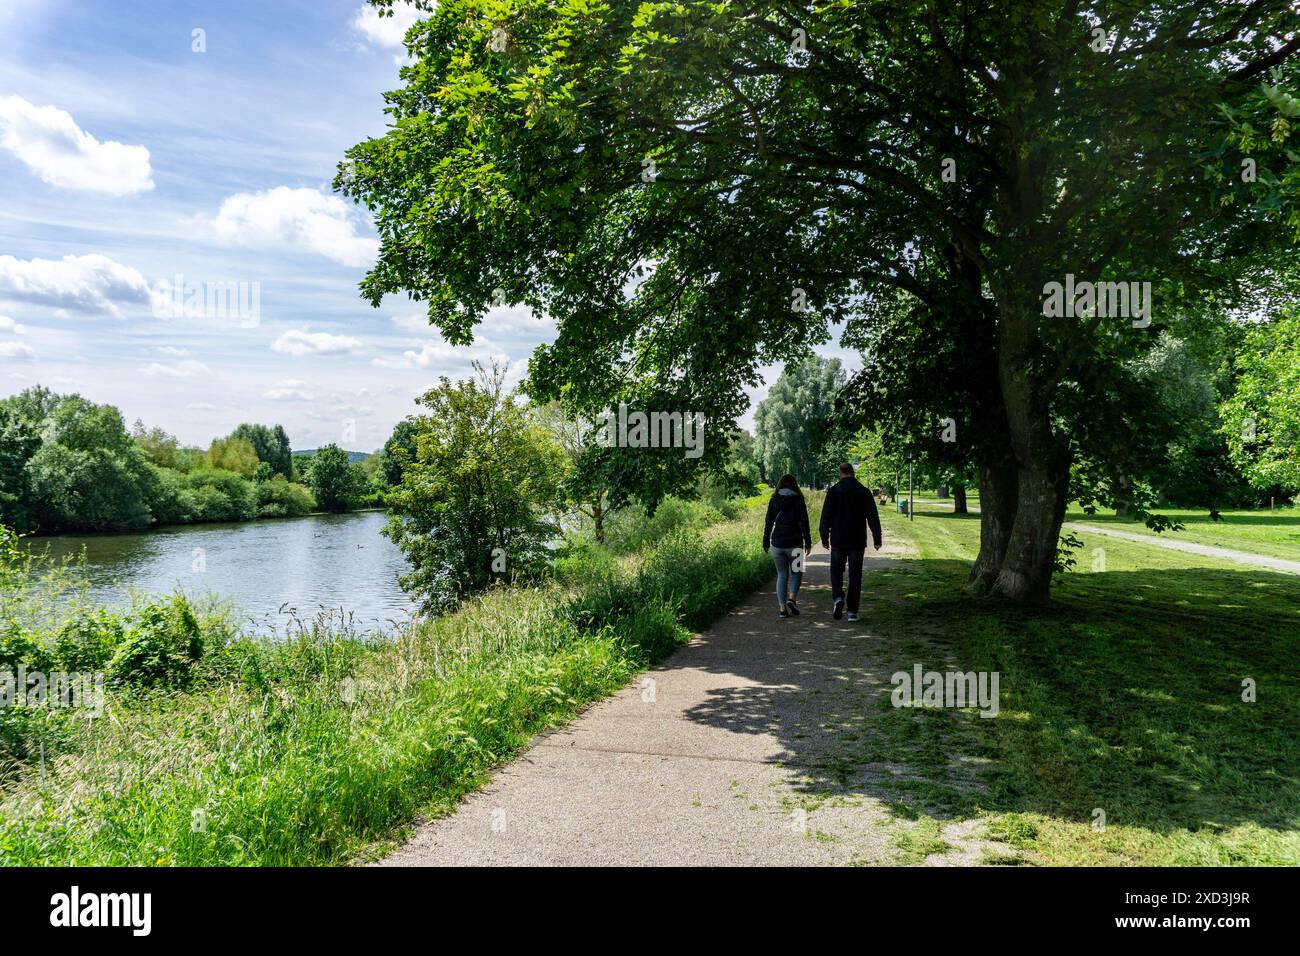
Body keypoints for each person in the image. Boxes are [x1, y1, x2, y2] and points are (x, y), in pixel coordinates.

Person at [819, 462, 882, 622]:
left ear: (840, 473)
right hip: (857, 540)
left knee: (836, 572)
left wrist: (824, 538)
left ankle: (838, 597)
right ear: (853, 473)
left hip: (838, 539)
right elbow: (872, 516)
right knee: (855, 576)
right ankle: (852, 611)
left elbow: (825, 516)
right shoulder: (864, 492)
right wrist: (877, 539)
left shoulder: (833, 492)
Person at [762, 474, 812, 618]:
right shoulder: (799, 500)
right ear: (794, 485)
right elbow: (804, 523)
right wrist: (808, 543)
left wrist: (765, 542)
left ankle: (783, 609)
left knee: (782, 575)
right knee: (797, 572)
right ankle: (792, 599)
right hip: (795, 544)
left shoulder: (774, 500)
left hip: (777, 543)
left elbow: (768, 523)